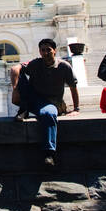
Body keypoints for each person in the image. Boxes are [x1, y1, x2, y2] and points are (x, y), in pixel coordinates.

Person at [15, 38, 80, 167]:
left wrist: (76, 109)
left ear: (54, 51)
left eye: (48, 50)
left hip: (51, 103)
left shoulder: (64, 67)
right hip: (34, 100)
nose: (45, 53)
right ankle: (24, 108)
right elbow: (17, 69)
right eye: (42, 50)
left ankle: (49, 153)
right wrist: (15, 88)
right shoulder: (34, 64)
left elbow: (73, 88)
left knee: (48, 114)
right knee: (21, 74)